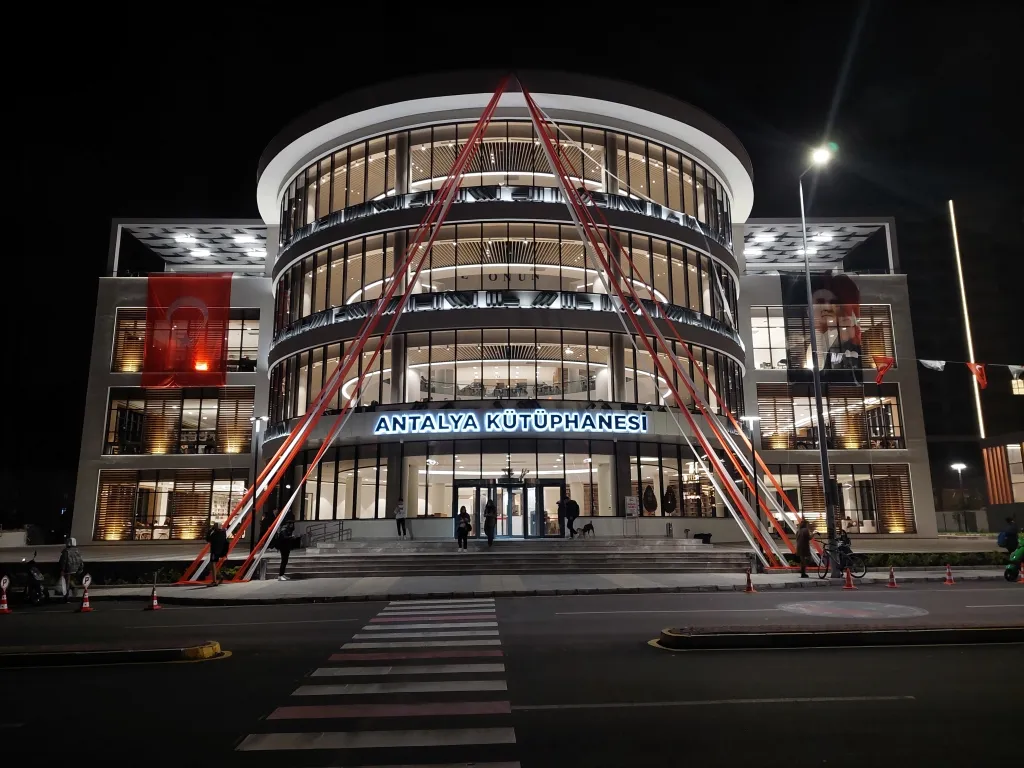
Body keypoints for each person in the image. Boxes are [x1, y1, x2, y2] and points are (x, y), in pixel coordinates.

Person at [57, 537, 84, 602]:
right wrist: (80, 568)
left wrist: (62, 569)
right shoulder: (77, 551)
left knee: (66, 583)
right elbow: (80, 561)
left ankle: (66, 597)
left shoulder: (66, 551)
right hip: (75, 569)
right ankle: (73, 589)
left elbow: (63, 561)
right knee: (70, 581)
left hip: (68, 569)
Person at [275, 514, 299, 581]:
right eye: (291, 524)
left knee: (285, 561)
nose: (292, 525)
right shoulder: (284, 530)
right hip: (283, 548)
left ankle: (282, 574)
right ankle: (280, 575)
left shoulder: (288, 530)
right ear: (289, 524)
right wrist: (291, 537)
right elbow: (284, 538)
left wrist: (293, 537)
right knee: (283, 561)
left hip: (286, 547)